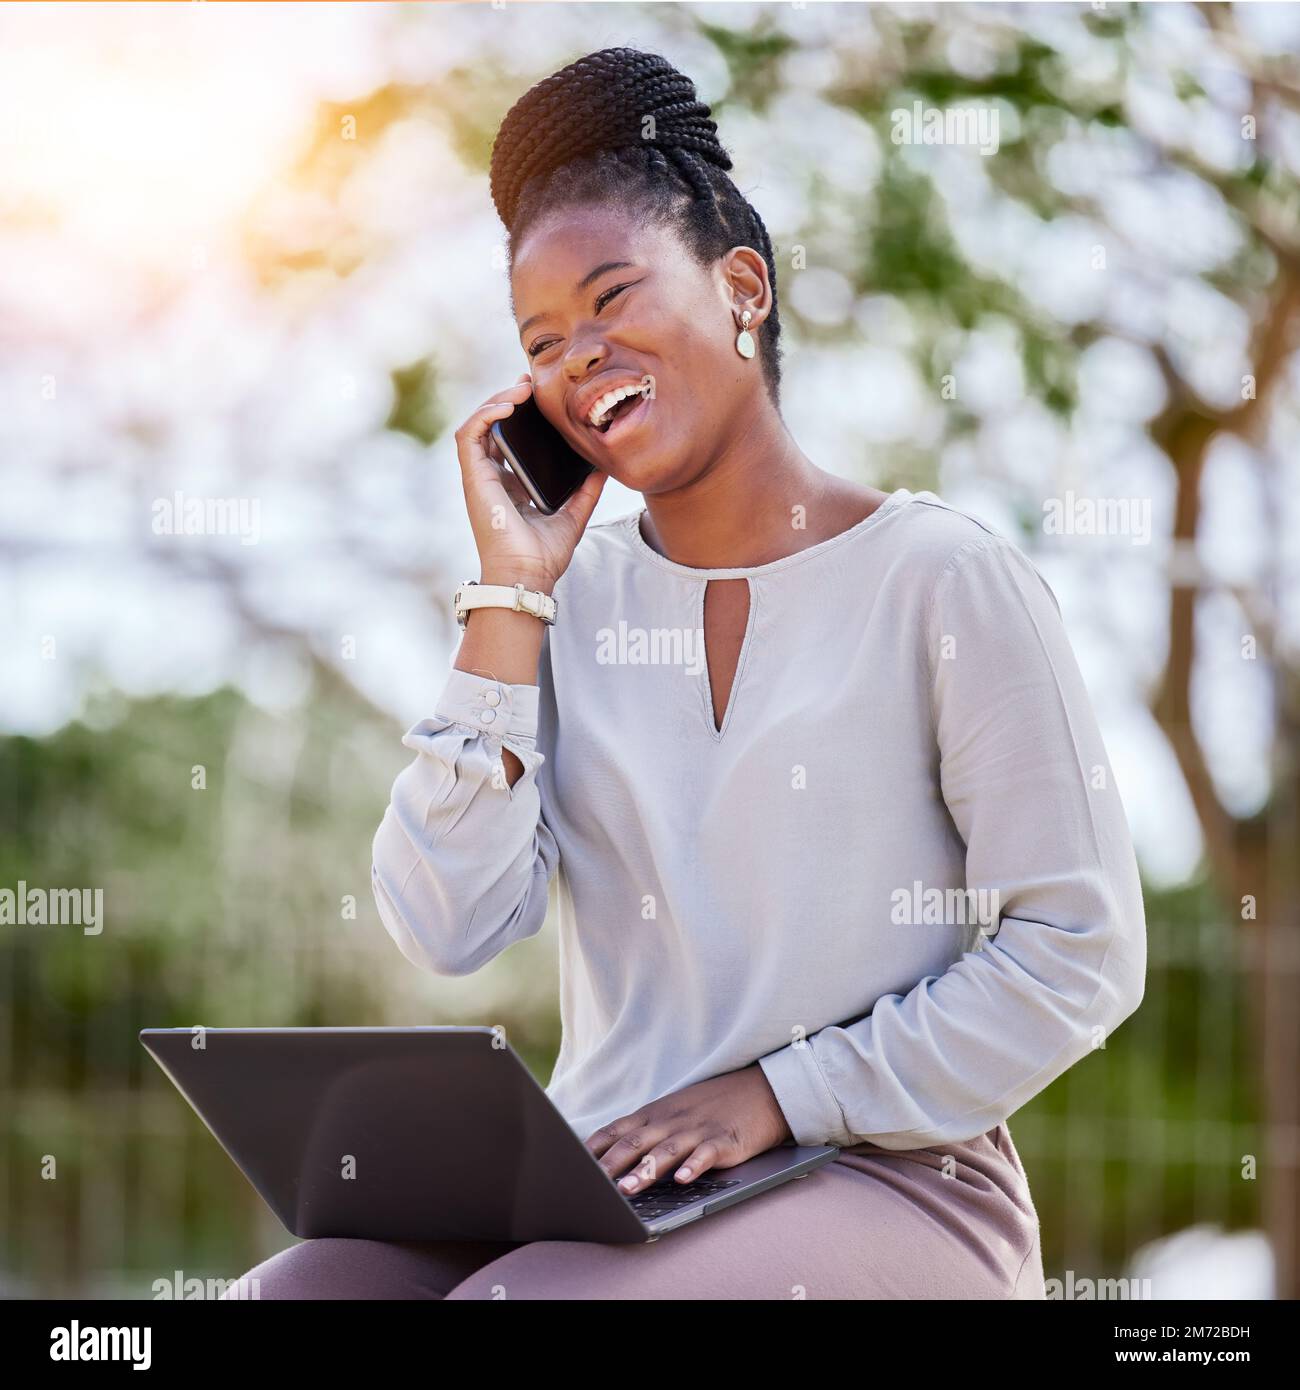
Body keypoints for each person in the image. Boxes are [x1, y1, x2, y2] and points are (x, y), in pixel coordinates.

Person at [237, 46, 1146, 1300]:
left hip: (885, 1180)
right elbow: (445, 925)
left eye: (613, 299)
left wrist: (781, 1092)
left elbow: (1079, 950)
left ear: (740, 288)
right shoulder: (569, 606)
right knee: (292, 1298)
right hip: (606, 1177)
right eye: (543, 338)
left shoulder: (941, 578)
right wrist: (511, 593)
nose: (581, 356)